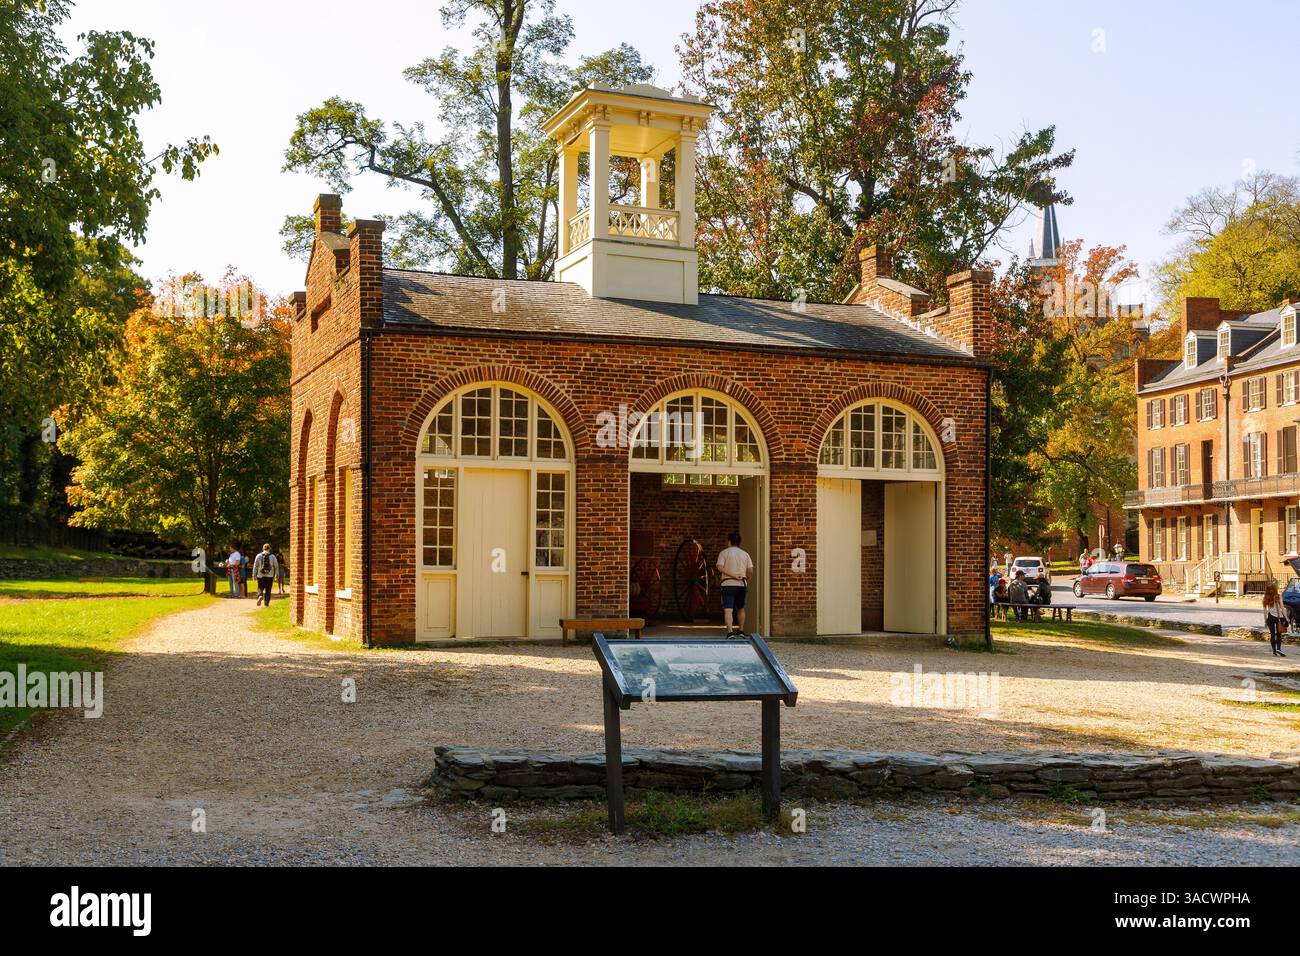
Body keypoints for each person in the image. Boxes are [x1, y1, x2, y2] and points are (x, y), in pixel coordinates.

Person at [716, 531, 754, 638]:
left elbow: (719, 567)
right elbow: (750, 570)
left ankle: (730, 632)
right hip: (741, 584)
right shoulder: (745, 554)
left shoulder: (724, 553)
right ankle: (741, 630)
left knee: (728, 610)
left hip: (727, 584)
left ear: (729, 542)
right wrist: (747, 580)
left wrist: (732, 575)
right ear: (739, 543)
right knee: (741, 608)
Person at [1264, 582, 1287, 657]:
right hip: (1279, 617)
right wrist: (1286, 618)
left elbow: (1265, 611)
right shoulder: (1278, 596)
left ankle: (1274, 651)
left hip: (1270, 617)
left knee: (1272, 635)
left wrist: (1265, 620)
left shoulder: (1266, 597)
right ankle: (1278, 648)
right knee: (1279, 634)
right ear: (1275, 589)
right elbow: (1282, 608)